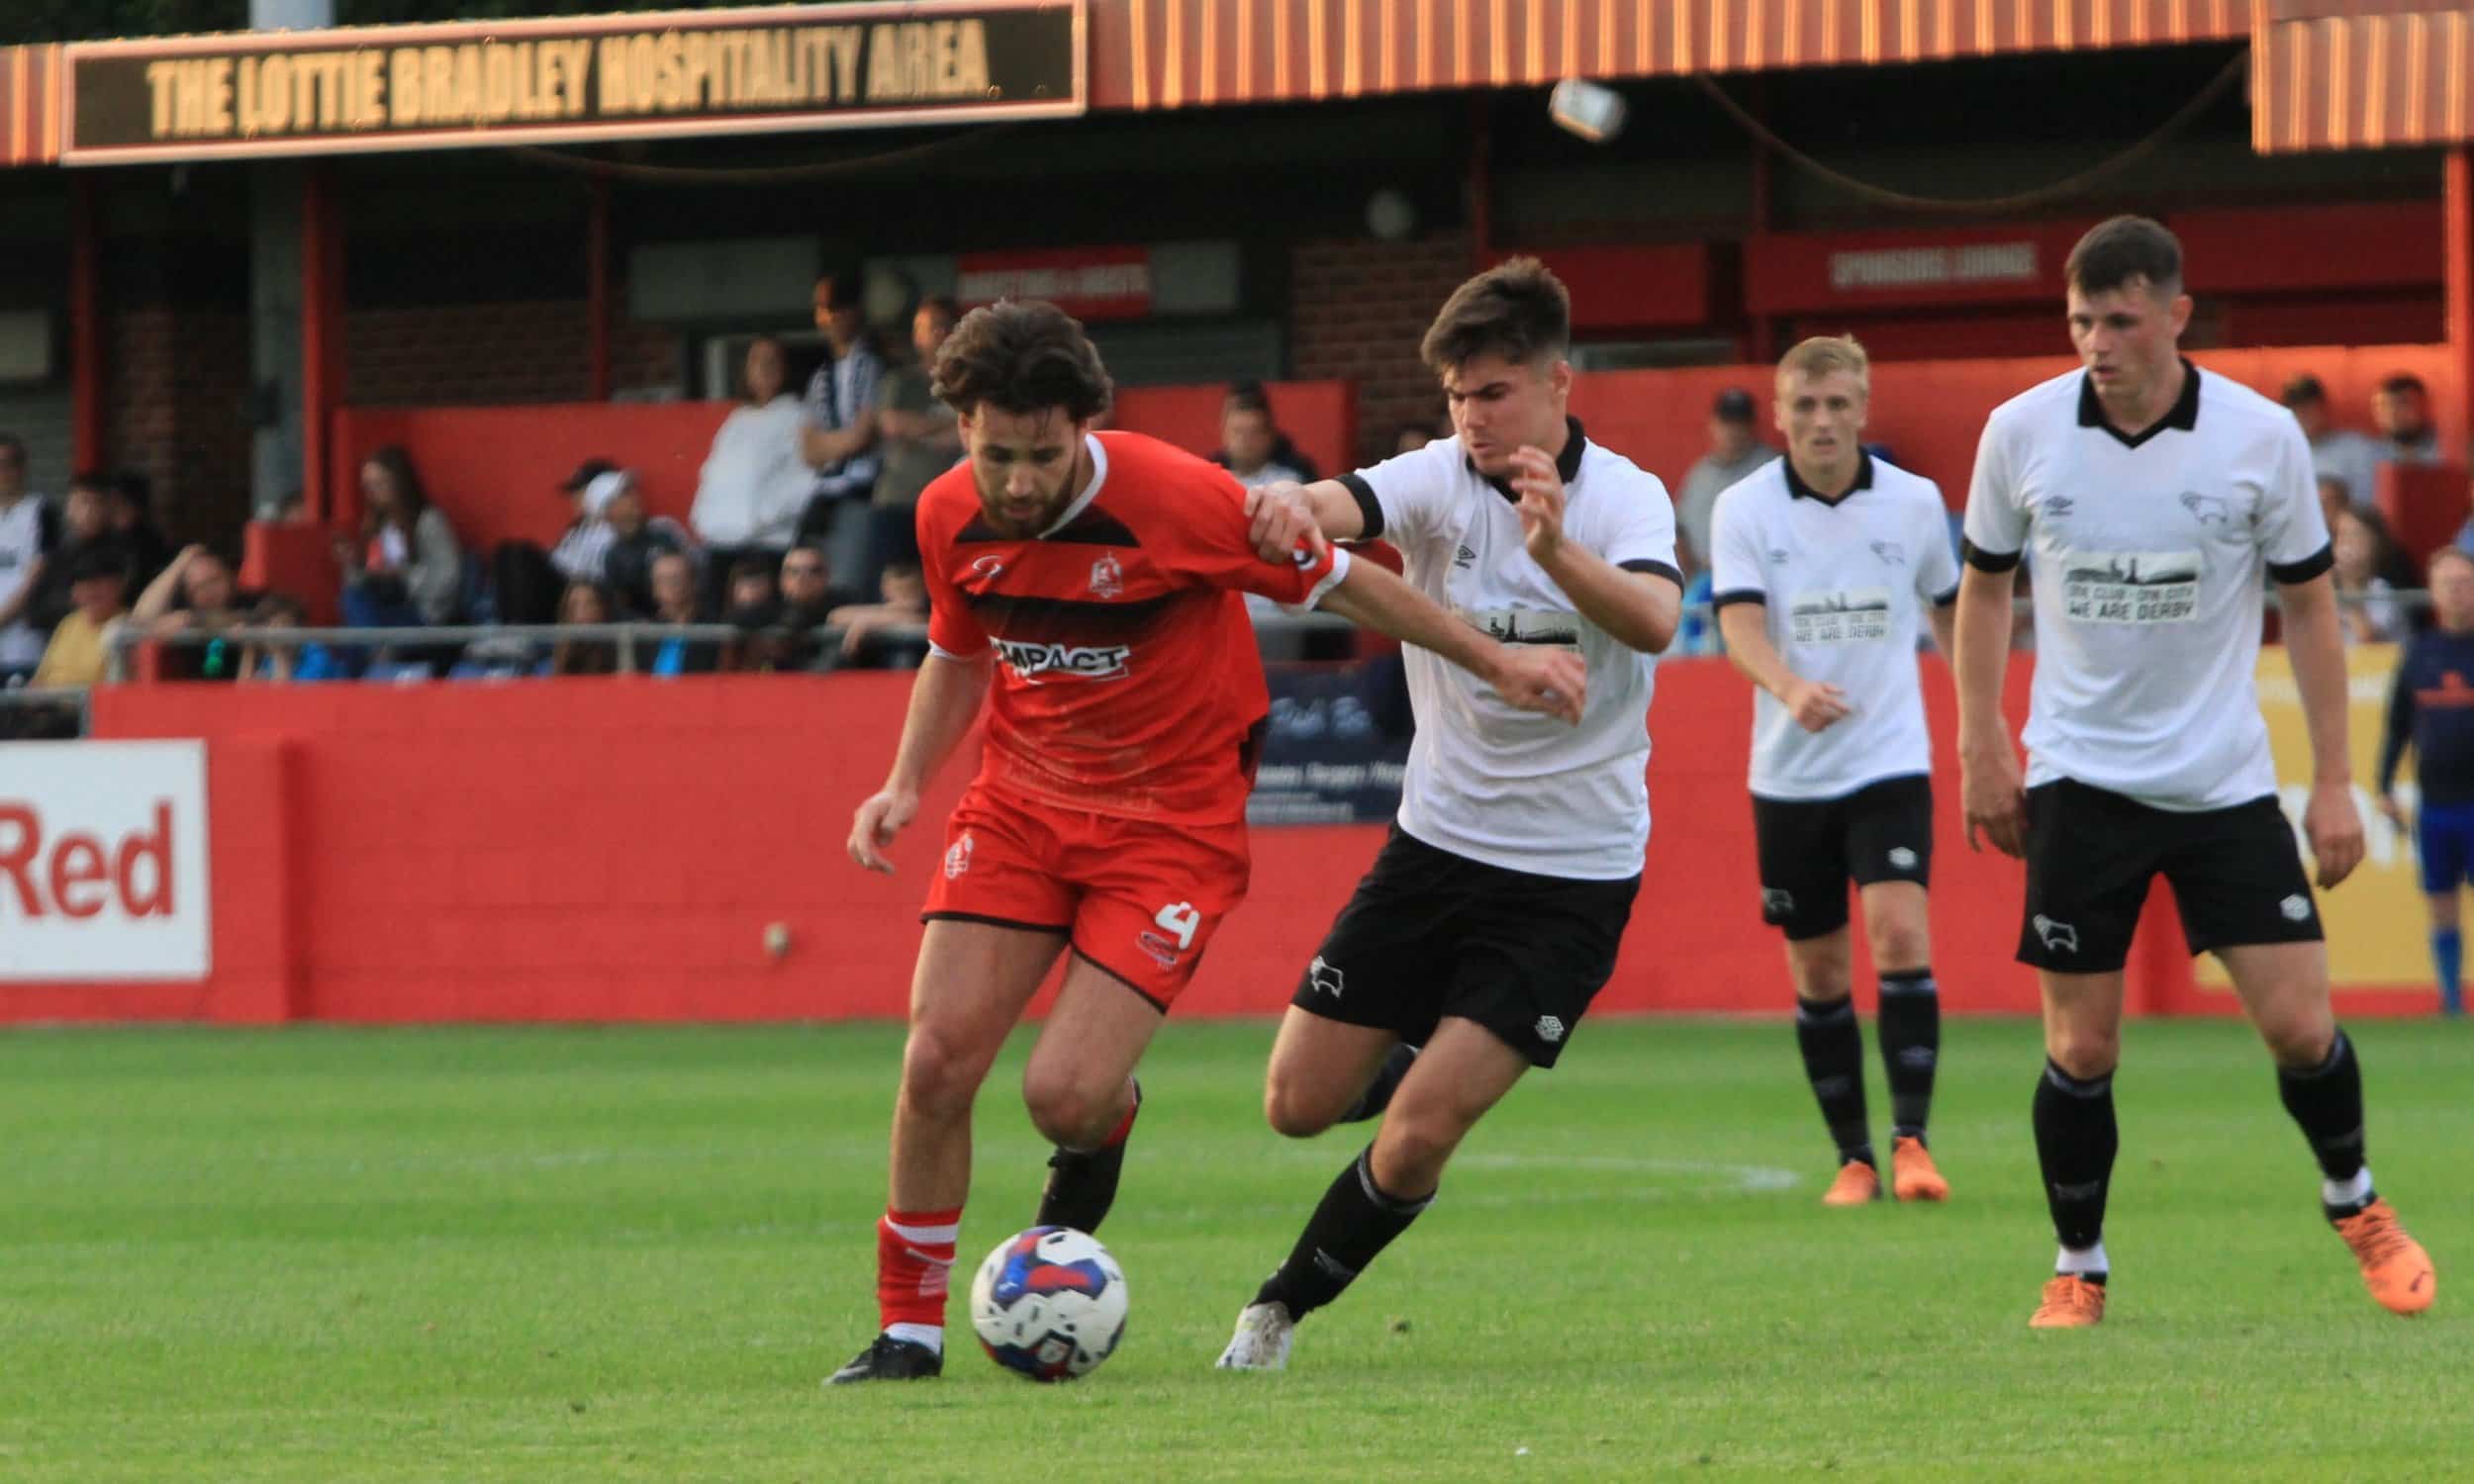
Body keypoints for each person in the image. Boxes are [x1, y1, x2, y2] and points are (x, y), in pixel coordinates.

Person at [827, 297, 1584, 1386]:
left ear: (1083, 429)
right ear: (961, 432)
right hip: (1022, 806)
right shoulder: (949, 514)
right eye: (999, 456)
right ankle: (908, 1330)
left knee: (1063, 1097)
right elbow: (957, 652)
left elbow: (1348, 580)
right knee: (937, 1059)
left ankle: (1104, 1115)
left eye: (1044, 456)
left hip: (1166, 832)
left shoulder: (1175, 498)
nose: (1022, 482)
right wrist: (905, 782)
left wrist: (1495, 661)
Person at [1953, 215, 2433, 1329]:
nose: (2096, 341)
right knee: (2079, 1043)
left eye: (2118, 320)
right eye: (2079, 321)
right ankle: (2078, 1264)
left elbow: (2310, 607)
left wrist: (2327, 780)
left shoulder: (2257, 437)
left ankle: (2356, 1205)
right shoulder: (2018, 432)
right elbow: (1982, 590)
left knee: (2301, 1030)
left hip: (2220, 782)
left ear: (2175, 315)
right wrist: (1981, 742)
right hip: (2077, 776)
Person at [1214, 257, 1683, 1371]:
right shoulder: (1436, 475)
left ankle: (1274, 1313)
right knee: (1293, 1103)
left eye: (1494, 392)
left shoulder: (1625, 496)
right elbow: (1350, 504)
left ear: (1558, 382)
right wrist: (1293, 504)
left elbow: (1658, 622)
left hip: (1571, 877)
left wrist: (1556, 552)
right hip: (1435, 850)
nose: (1472, 417)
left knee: (1419, 1130)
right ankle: (1425, 1037)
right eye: (1458, 396)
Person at [1708, 335, 1959, 1207]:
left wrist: (1979, 724)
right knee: (1818, 974)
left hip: (1890, 761)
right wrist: (1787, 686)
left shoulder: (1916, 503)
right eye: (1805, 407)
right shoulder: (1743, 508)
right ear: (1778, 416)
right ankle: (1853, 1158)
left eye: (1837, 404)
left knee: (1899, 937)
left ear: (1863, 408)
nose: (1821, 421)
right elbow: (1738, 624)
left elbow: (1952, 606)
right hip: (1789, 776)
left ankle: (1913, 1143)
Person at [2376, 545, 2474, 1016]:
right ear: (2432, 592)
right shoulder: (2421, 652)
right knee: (2440, 901)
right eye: (2448, 584)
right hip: (2436, 803)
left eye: (2464, 583)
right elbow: (2397, 725)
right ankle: (2451, 1000)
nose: (2457, 592)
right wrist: (2383, 786)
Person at [691, 335, 810, 608]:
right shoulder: (736, 420)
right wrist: (703, 518)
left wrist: (761, 518)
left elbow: (806, 480)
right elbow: (712, 475)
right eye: (756, 360)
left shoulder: (799, 416)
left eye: (772, 361)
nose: (764, 368)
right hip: (721, 542)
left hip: (768, 543)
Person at [798, 273, 887, 598]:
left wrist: (830, 444)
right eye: (821, 309)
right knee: (809, 586)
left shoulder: (872, 365)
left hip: (862, 493)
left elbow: (863, 436)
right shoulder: (820, 375)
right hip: (824, 497)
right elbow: (808, 450)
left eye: (834, 307)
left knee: (846, 586)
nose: (828, 317)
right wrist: (839, 442)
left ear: (853, 311)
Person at [870, 297, 963, 585]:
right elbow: (892, 425)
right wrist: (951, 422)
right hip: (898, 499)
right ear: (916, 335)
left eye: (944, 326)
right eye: (928, 327)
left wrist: (920, 429)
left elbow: (972, 433)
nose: (937, 333)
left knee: (946, 585)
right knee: (898, 586)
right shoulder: (899, 381)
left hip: (950, 502)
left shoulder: (970, 382)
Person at [339, 445, 463, 628]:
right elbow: (360, 580)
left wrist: (403, 575)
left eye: (380, 483)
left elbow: (449, 577)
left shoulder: (428, 520)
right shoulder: (375, 524)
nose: (373, 492)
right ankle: (378, 648)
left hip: (420, 609)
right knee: (351, 597)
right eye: (368, 485)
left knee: (372, 630)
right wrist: (353, 563)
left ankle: (379, 649)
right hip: (384, 602)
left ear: (399, 482)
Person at [1673, 388, 1779, 576]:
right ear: (1712, 424)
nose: (1733, 431)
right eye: (1727, 422)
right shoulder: (1699, 474)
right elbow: (1678, 530)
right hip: (1703, 580)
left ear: (1753, 426)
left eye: (1740, 423)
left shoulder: (1773, 467)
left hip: (1757, 574)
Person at [599, 471, 697, 619]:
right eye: (625, 494)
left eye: (632, 490)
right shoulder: (612, 555)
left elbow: (697, 576)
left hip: (687, 619)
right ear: (608, 510)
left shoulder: (666, 531)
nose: (635, 496)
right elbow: (618, 606)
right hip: (644, 633)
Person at [29, 546, 129, 690]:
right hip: (48, 706)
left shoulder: (127, 628)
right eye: (82, 586)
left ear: (119, 585)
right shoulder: (69, 623)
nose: (90, 593)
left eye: (97, 585)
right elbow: (41, 678)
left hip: (89, 708)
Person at [0, 432, 57, 684]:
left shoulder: (41, 510)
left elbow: (40, 572)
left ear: (22, 468)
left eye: (7, 465)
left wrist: (3, 617)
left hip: (24, 644)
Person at [2282, 375, 2382, 516]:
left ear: (2323, 407)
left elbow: (2369, 509)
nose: (2303, 414)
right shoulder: (2278, 455)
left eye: (2309, 406)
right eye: (2296, 408)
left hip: (2348, 532)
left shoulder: (2358, 448)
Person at [1210, 383, 1322, 489]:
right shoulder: (1211, 477)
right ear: (1224, 431)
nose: (1245, 441)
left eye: (1253, 432)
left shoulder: (1296, 476)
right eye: (1238, 431)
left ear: (1270, 435)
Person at [824, 562, 929, 670]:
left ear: (923, 588)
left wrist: (870, 622)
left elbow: (917, 618)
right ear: (885, 588)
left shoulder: (933, 609)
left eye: (910, 589)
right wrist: (872, 619)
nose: (904, 596)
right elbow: (835, 616)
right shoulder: (876, 612)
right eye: (898, 589)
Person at [2331, 506, 2404, 645]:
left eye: (2356, 535)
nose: (2347, 543)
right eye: (2342, 535)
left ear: (2375, 544)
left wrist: (2349, 581)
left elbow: (2367, 639)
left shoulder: (2382, 590)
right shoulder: (2326, 589)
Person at [237, 593, 344, 684]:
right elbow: (245, 696)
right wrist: (249, 649)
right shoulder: (269, 659)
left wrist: (280, 654)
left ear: (300, 628)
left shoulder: (319, 657)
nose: (273, 631)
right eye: (269, 624)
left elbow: (288, 702)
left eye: (283, 623)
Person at [547, 580, 618, 677]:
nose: (581, 613)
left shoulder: (619, 655)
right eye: (574, 605)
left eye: (589, 604)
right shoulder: (550, 664)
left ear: (602, 609)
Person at [2371, 372, 2442, 468]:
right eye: (2383, 405)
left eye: (2403, 404)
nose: (2393, 413)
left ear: (2425, 406)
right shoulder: (2367, 456)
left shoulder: (2447, 452)